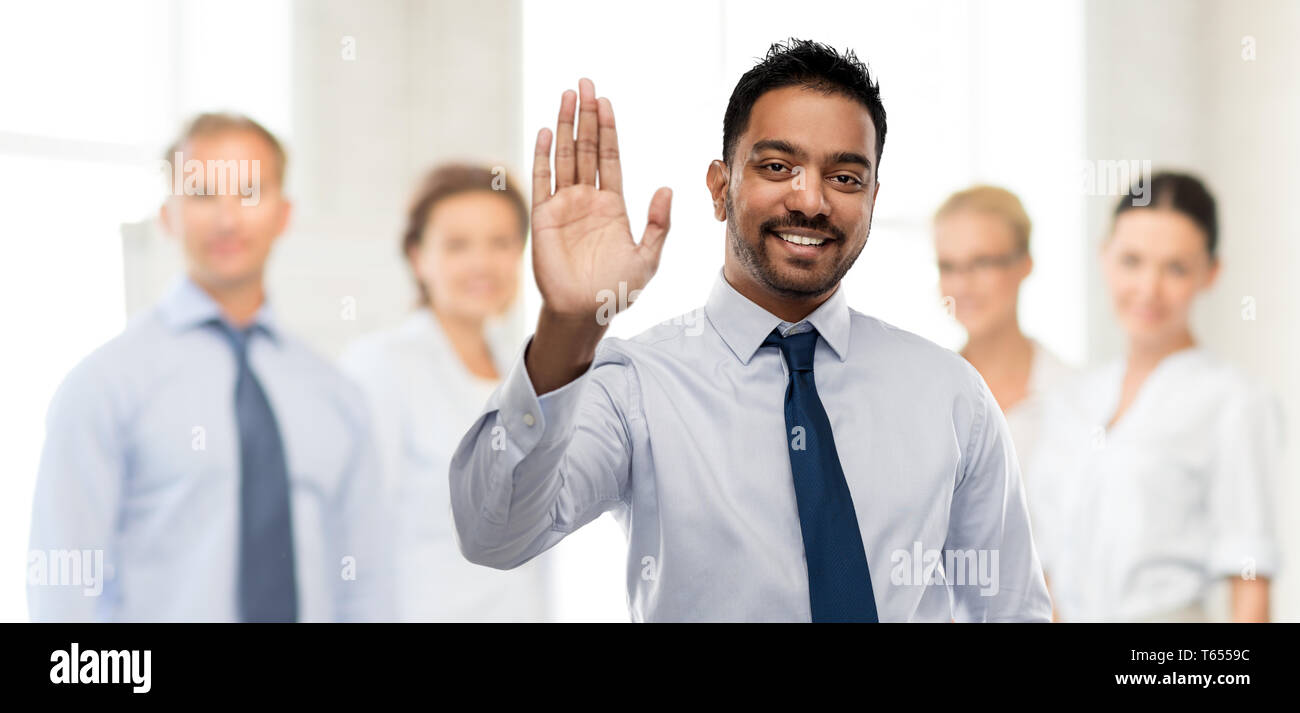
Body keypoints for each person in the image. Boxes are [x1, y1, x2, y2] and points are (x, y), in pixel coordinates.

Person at [448, 39, 1052, 622]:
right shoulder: (636, 386)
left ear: (871, 197)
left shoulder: (950, 395)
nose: (810, 200)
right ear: (720, 187)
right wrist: (570, 327)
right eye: (777, 166)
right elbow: (494, 533)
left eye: (845, 177)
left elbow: (1010, 611)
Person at [27, 113, 394, 622]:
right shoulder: (104, 385)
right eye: (202, 194)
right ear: (167, 215)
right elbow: (63, 593)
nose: (228, 219)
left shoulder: (335, 394)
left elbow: (368, 585)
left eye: (249, 191)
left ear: (283, 214)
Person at [1027, 172, 1281, 622]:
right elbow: (1043, 566)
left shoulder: (1234, 401)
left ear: (1211, 273)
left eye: (1176, 268)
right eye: (1132, 261)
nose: (1149, 288)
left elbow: (1249, 581)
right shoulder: (1070, 400)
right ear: (1104, 256)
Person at [340, 164, 550, 621]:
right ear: (418, 258)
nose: (482, 263)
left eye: (501, 242)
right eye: (457, 245)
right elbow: (355, 533)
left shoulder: (526, 367)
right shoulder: (382, 367)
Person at [933, 185, 1073, 480]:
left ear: (1025, 264)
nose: (962, 286)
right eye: (948, 266)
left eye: (982, 263)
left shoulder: (1074, 396)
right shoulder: (922, 394)